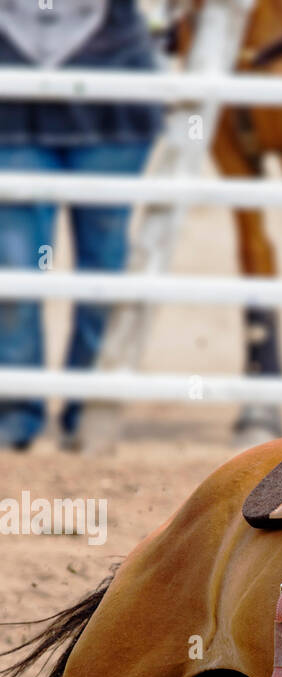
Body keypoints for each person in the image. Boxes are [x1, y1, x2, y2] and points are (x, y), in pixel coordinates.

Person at [0, 0, 164, 450]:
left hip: (112, 104)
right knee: (15, 269)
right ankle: (15, 415)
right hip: (11, 108)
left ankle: (87, 410)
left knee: (104, 268)